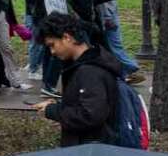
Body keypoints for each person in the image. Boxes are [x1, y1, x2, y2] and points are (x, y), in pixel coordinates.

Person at [35, 11, 126, 147]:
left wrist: (52, 110)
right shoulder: (85, 65)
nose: (52, 52)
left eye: (52, 45)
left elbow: (91, 115)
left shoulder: (90, 72)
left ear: (67, 37)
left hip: (91, 149)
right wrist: (60, 105)